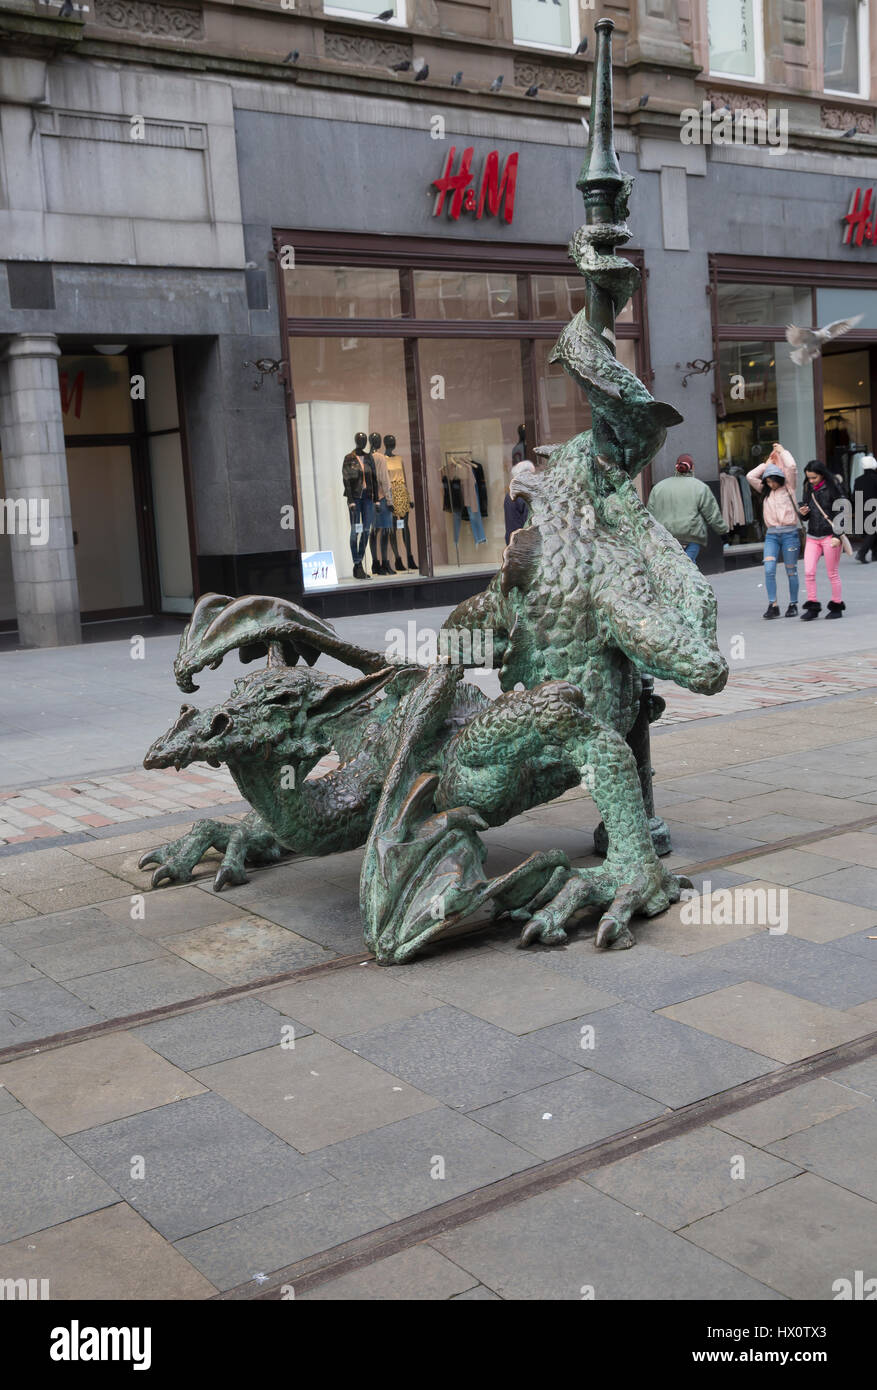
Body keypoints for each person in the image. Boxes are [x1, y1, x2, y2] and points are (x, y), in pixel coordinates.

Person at [746, 443, 800, 619]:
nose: (771, 483)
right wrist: (766, 463)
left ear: (781, 478)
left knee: (791, 570)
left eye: (774, 480)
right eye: (768, 480)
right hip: (772, 536)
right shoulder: (765, 491)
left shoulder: (789, 488)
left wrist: (782, 451)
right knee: (769, 569)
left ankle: (793, 604)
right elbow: (750, 476)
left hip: (790, 534)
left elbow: (791, 466)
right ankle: (773, 604)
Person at [646, 455, 728, 563]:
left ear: (676, 467)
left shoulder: (658, 488)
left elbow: (649, 516)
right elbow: (712, 515)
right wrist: (723, 533)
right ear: (692, 468)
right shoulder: (700, 487)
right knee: (688, 568)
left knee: (673, 569)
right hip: (691, 537)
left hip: (665, 537)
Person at [799, 461, 846, 619]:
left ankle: (836, 606)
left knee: (832, 573)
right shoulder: (808, 487)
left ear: (822, 474)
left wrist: (837, 536)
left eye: (814, 477)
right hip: (812, 535)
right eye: (808, 477)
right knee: (808, 572)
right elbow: (805, 514)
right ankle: (812, 606)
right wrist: (803, 512)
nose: (811, 480)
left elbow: (842, 512)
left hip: (829, 535)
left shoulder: (833, 487)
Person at [854, 453, 877, 563]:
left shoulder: (858, 480)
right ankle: (862, 552)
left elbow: (855, 496)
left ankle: (875, 554)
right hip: (874, 508)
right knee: (872, 531)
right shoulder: (875, 479)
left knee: (871, 531)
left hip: (861, 508)